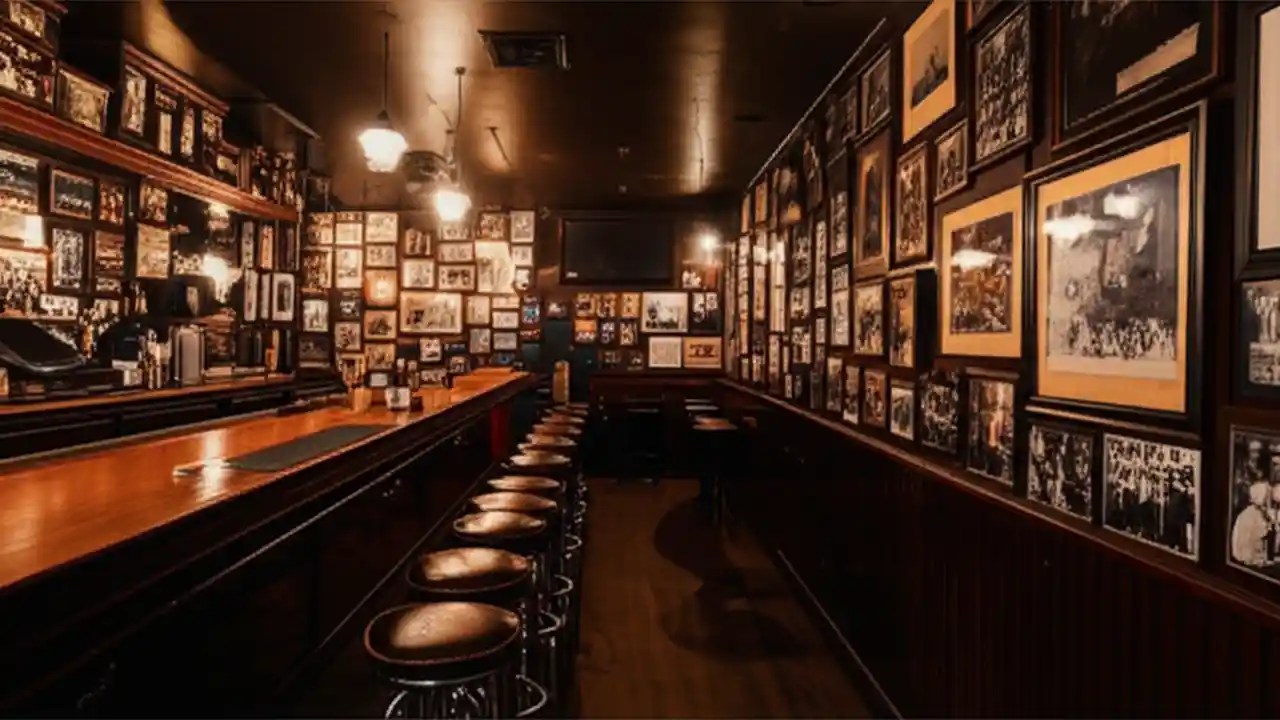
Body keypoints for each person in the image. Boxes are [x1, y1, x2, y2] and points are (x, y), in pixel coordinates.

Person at [1232, 482, 1272, 567]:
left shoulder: (1256, 512)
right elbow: (1263, 533)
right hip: (1248, 555)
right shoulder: (1251, 514)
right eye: (1267, 497)